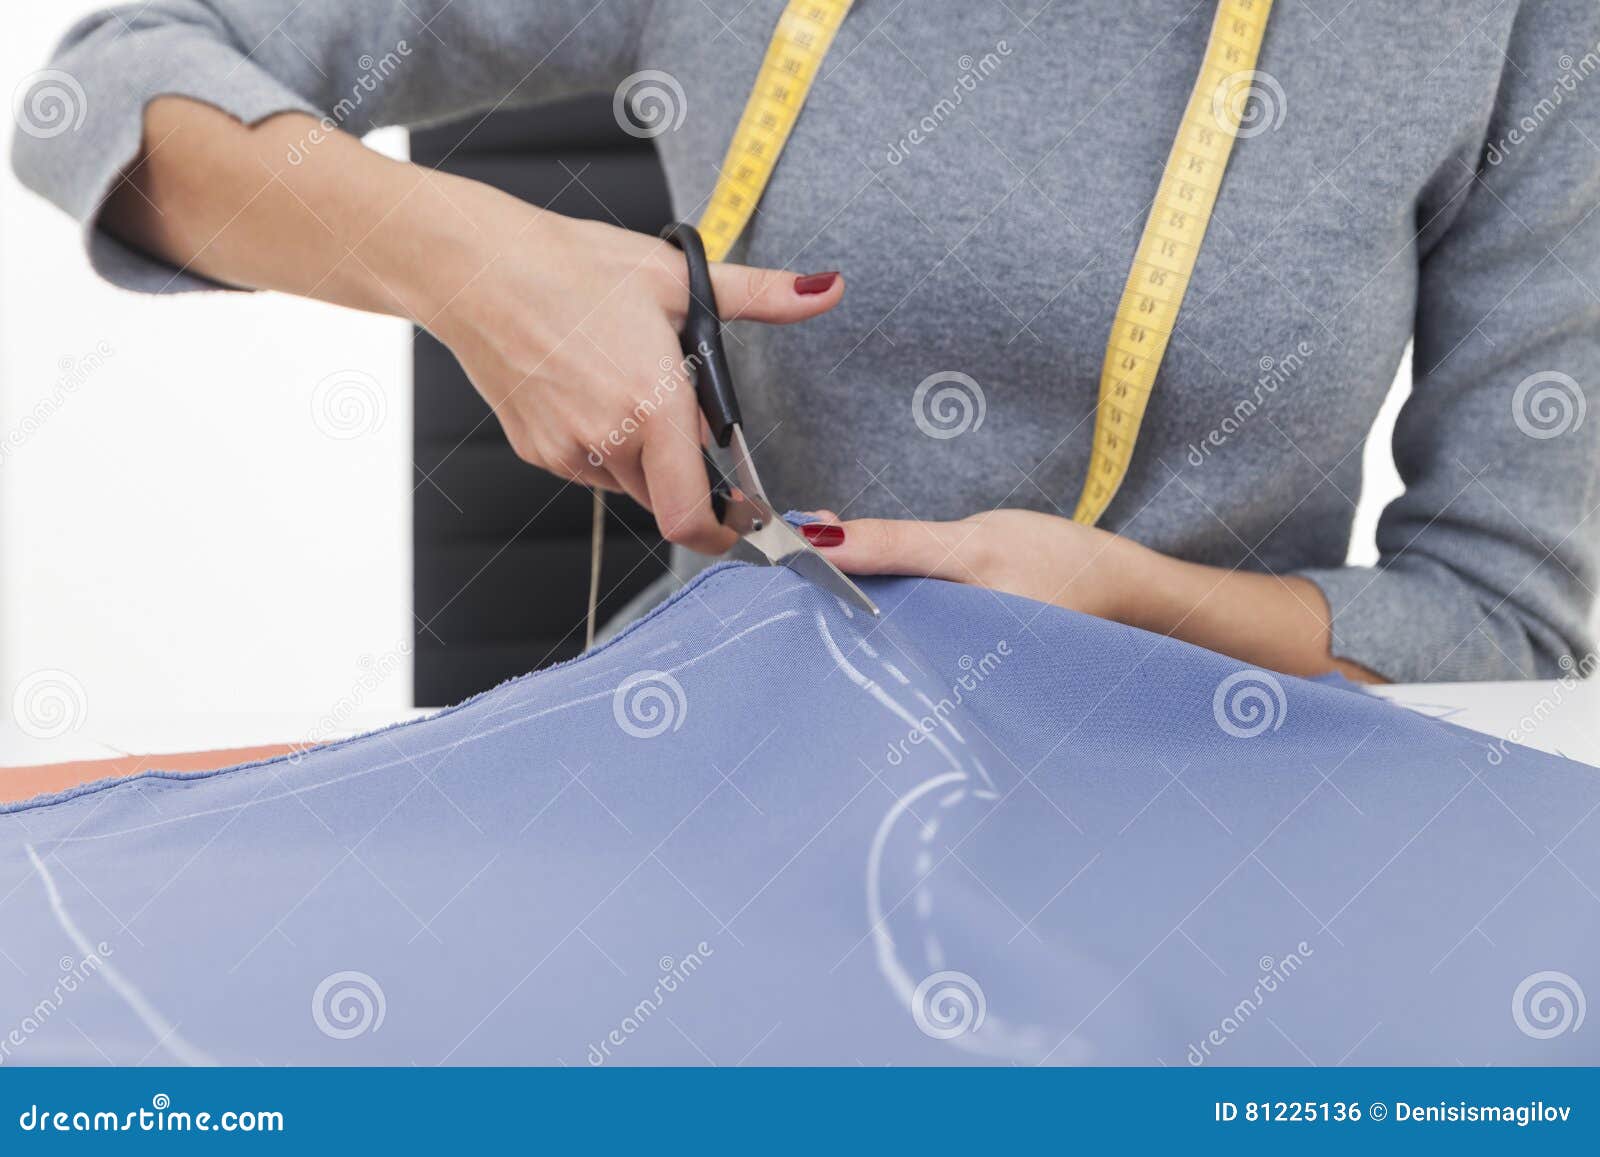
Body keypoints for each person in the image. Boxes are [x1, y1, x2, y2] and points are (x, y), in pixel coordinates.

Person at [12, 0, 1598, 685]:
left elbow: (1506, 626)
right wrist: (470, 261)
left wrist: (1136, 606)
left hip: (1220, 803)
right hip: (723, 782)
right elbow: (100, 89)